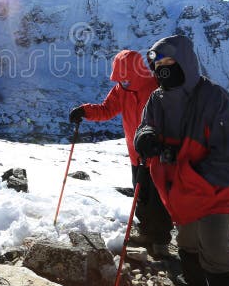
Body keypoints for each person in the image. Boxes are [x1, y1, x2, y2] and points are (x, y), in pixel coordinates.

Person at [134, 35, 229, 286]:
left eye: (168, 61)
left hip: (214, 194)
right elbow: (145, 125)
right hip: (180, 195)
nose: (162, 68)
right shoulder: (157, 98)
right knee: (187, 244)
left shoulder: (213, 98)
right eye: (157, 63)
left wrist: (191, 176)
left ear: (184, 61)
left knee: (215, 254)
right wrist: (144, 136)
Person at [69, 49, 173, 257]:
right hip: (136, 153)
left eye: (125, 78)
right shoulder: (121, 90)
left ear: (135, 73)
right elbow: (106, 109)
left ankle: (161, 240)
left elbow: (172, 118)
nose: (122, 82)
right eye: (120, 79)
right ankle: (146, 233)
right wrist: (85, 111)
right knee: (140, 194)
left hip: (157, 155)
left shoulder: (156, 88)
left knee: (159, 198)